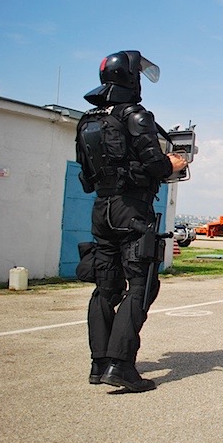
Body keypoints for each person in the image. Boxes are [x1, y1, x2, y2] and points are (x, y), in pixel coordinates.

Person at [75, 50, 188, 392]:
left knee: (105, 288)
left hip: (102, 209)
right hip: (131, 210)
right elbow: (155, 165)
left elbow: (87, 173)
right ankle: (121, 365)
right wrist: (175, 162)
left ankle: (99, 364)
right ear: (130, 78)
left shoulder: (88, 120)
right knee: (142, 284)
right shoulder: (135, 116)